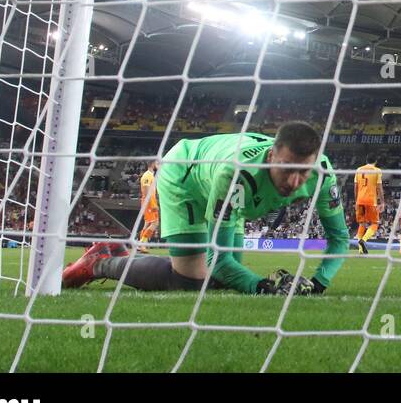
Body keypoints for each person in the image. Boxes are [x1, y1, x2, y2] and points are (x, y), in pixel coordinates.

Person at [61, 124, 347, 296]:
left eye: (303, 172)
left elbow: (339, 238)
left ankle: (121, 256)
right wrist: (263, 287)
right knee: (191, 281)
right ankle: (100, 263)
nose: (295, 183)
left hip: (234, 196)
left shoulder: (323, 176)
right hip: (185, 175)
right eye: (286, 169)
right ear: (271, 156)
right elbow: (217, 260)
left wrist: (319, 283)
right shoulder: (236, 175)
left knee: (223, 283)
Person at [353, 156, 383, 254]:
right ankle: (364, 240)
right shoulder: (377, 171)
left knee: (362, 224)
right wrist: (382, 201)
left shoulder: (358, 169)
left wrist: (356, 200)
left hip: (359, 200)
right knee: (375, 223)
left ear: (366, 161)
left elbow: (355, 186)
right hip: (371, 200)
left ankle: (360, 250)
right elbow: (379, 187)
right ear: (376, 161)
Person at [138, 160, 160, 248]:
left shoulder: (150, 175)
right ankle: (142, 243)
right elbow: (146, 190)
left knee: (147, 223)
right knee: (155, 223)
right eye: (157, 163)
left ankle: (141, 244)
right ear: (153, 164)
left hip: (149, 201)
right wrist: (152, 203)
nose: (159, 165)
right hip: (149, 202)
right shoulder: (147, 175)